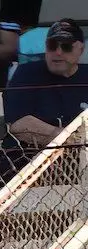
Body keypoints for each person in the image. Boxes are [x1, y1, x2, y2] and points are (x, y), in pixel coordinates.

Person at [6, 22, 88, 161]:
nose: (58, 52)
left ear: (80, 49)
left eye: (66, 47)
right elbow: (19, 125)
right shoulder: (26, 73)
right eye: (52, 46)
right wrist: (70, 139)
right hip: (29, 162)